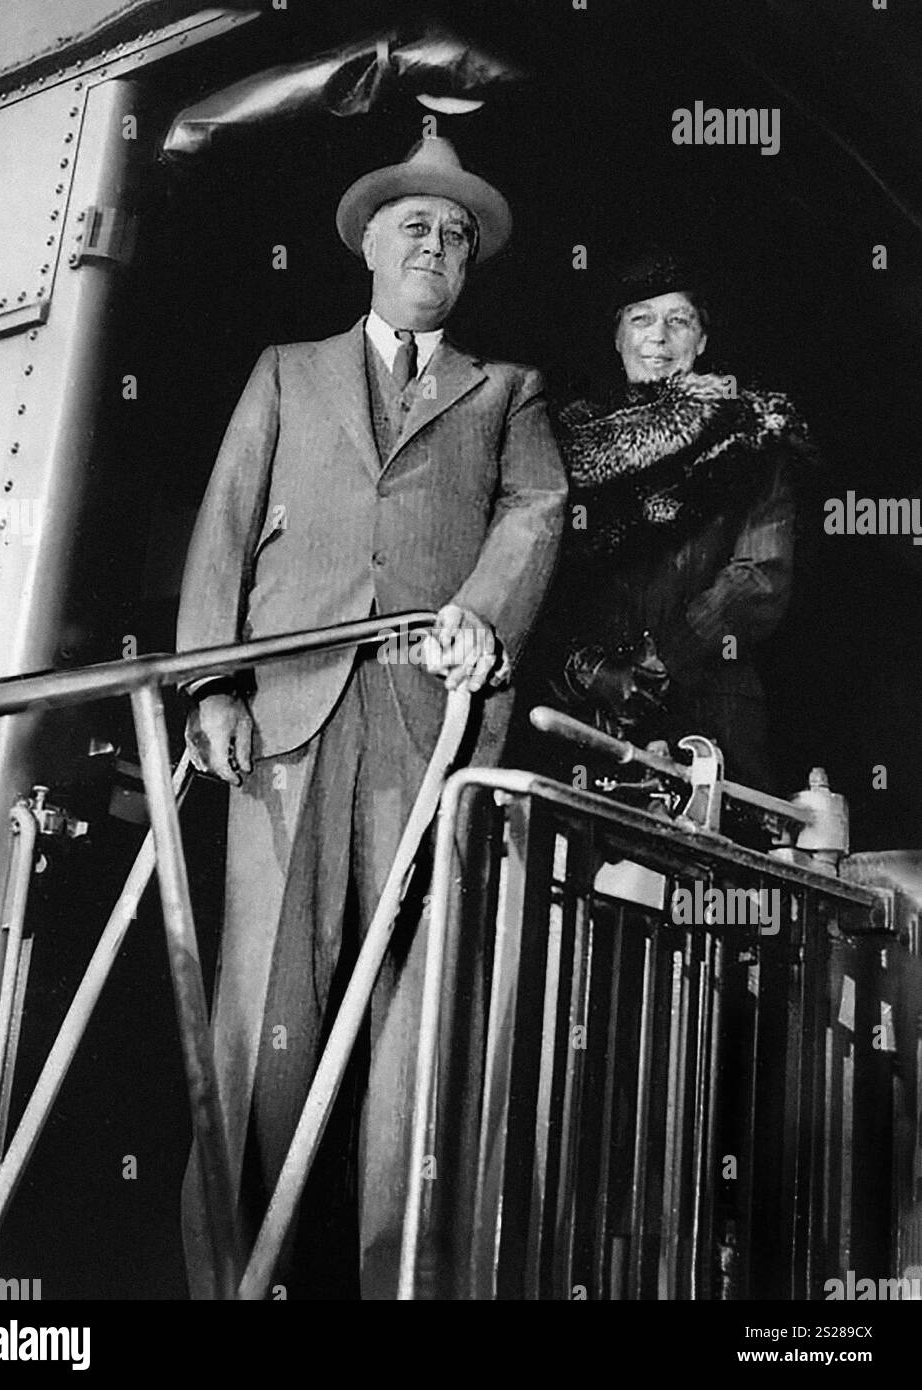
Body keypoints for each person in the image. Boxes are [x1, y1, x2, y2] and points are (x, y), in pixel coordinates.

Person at [175, 136, 567, 1298]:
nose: (436, 247)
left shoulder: (506, 392)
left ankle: (401, 1280)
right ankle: (233, 1278)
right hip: (285, 720)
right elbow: (224, 528)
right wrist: (210, 683)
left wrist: (483, 619)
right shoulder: (285, 372)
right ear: (368, 248)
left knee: (413, 1016)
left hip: (425, 722)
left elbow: (534, 513)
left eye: (456, 237)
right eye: (416, 229)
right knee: (260, 1014)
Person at [524, 250, 815, 792]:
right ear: (617, 338)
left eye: (679, 321)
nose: (658, 337)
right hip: (582, 717)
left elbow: (760, 577)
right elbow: (534, 583)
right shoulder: (559, 444)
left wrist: (661, 661)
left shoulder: (750, 436)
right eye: (641, 319)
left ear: (701, 341)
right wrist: (589, 671)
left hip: (712, 715)